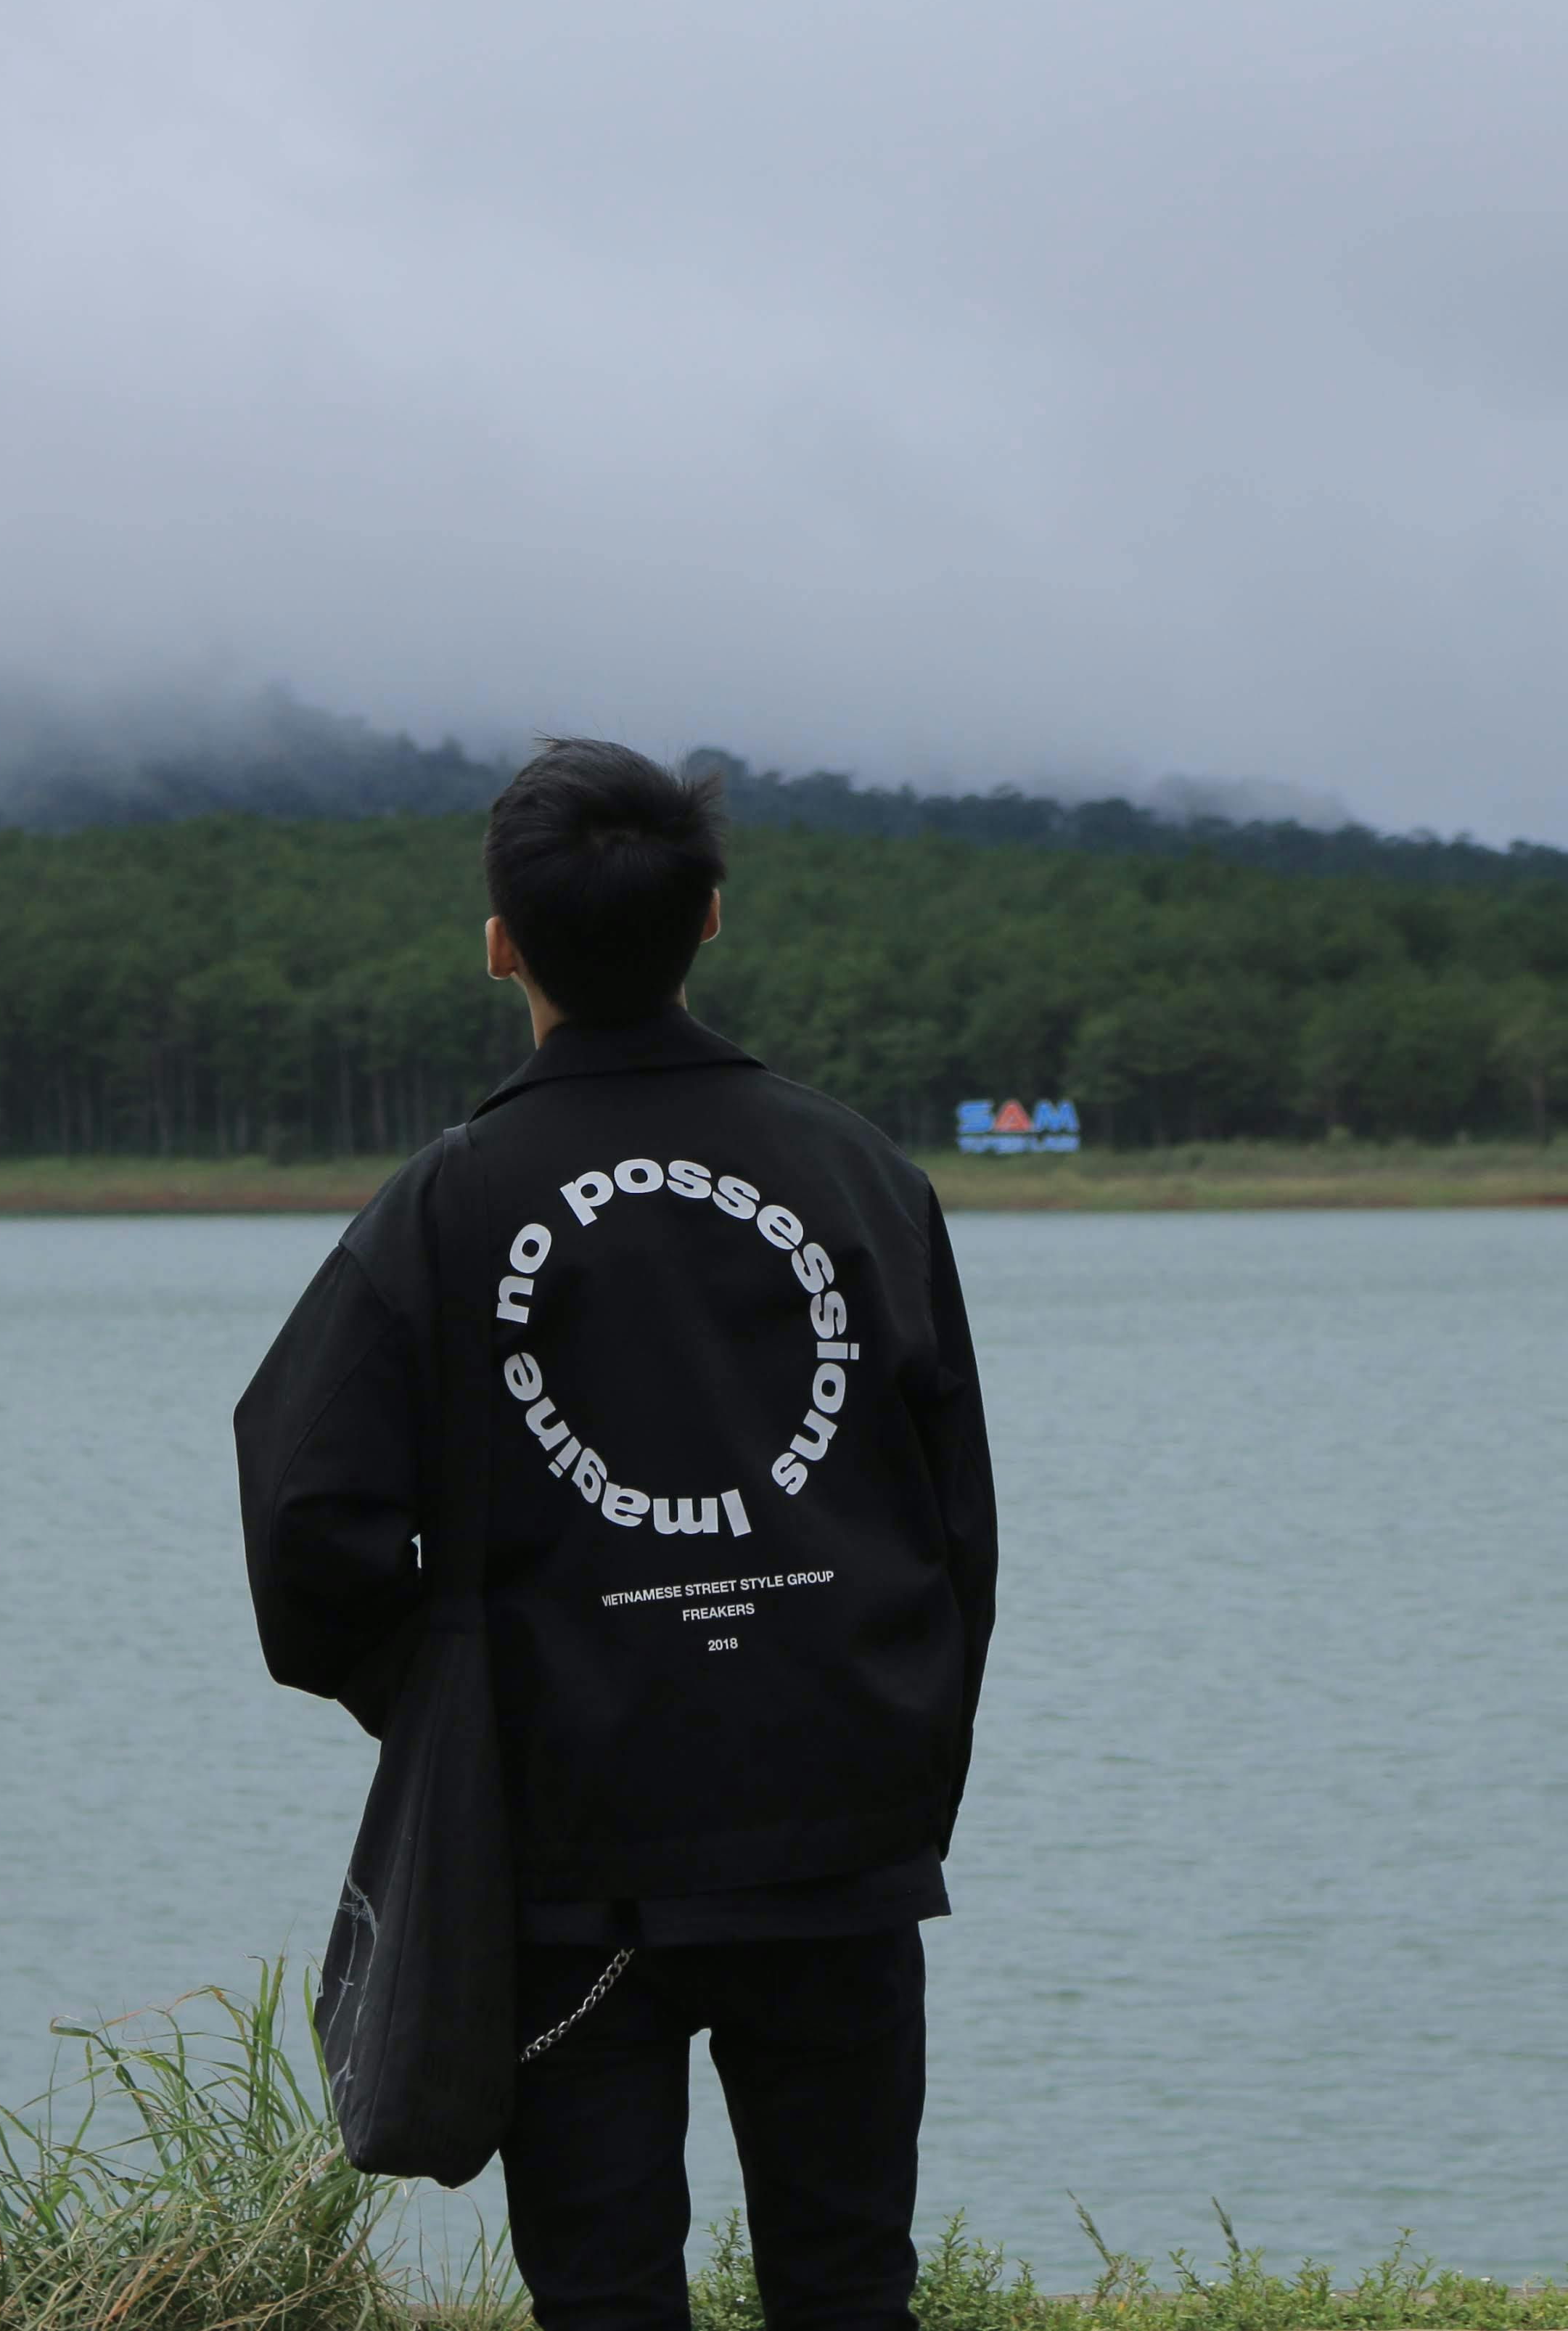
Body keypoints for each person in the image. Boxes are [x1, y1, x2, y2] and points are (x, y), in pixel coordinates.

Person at [235, 738, 1001, 2331]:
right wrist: (897, 1732)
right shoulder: (862, 1175)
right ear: (710, 919)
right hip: (836, 1828)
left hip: (566, 1850)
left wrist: (447, 1680)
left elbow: (309, 1517)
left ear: (500, 941)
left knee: (602, 2296)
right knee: (851, 2285)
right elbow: (958, 1528)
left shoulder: (445, 1204)